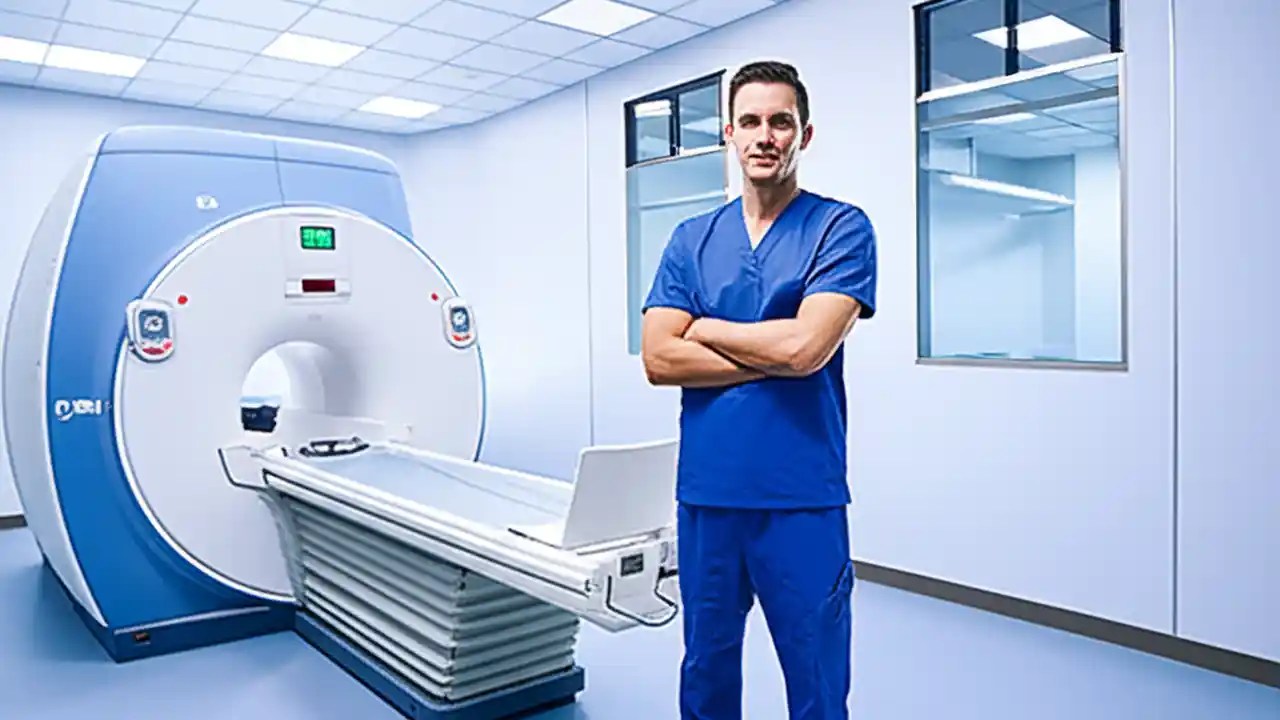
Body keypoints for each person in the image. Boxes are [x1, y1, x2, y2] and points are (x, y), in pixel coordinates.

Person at [639, 60, 877, 720]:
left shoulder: (840, 228)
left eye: (780, 121)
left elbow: (807, 349)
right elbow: (659, 358)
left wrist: (708, 328)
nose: (764, 136)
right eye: (750, 122)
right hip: (708, 499)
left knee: (818, 681)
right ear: (729, 134)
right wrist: (778, 351)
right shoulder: (692, 240)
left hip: (801, 499)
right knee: (706, 672)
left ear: (804, 133)